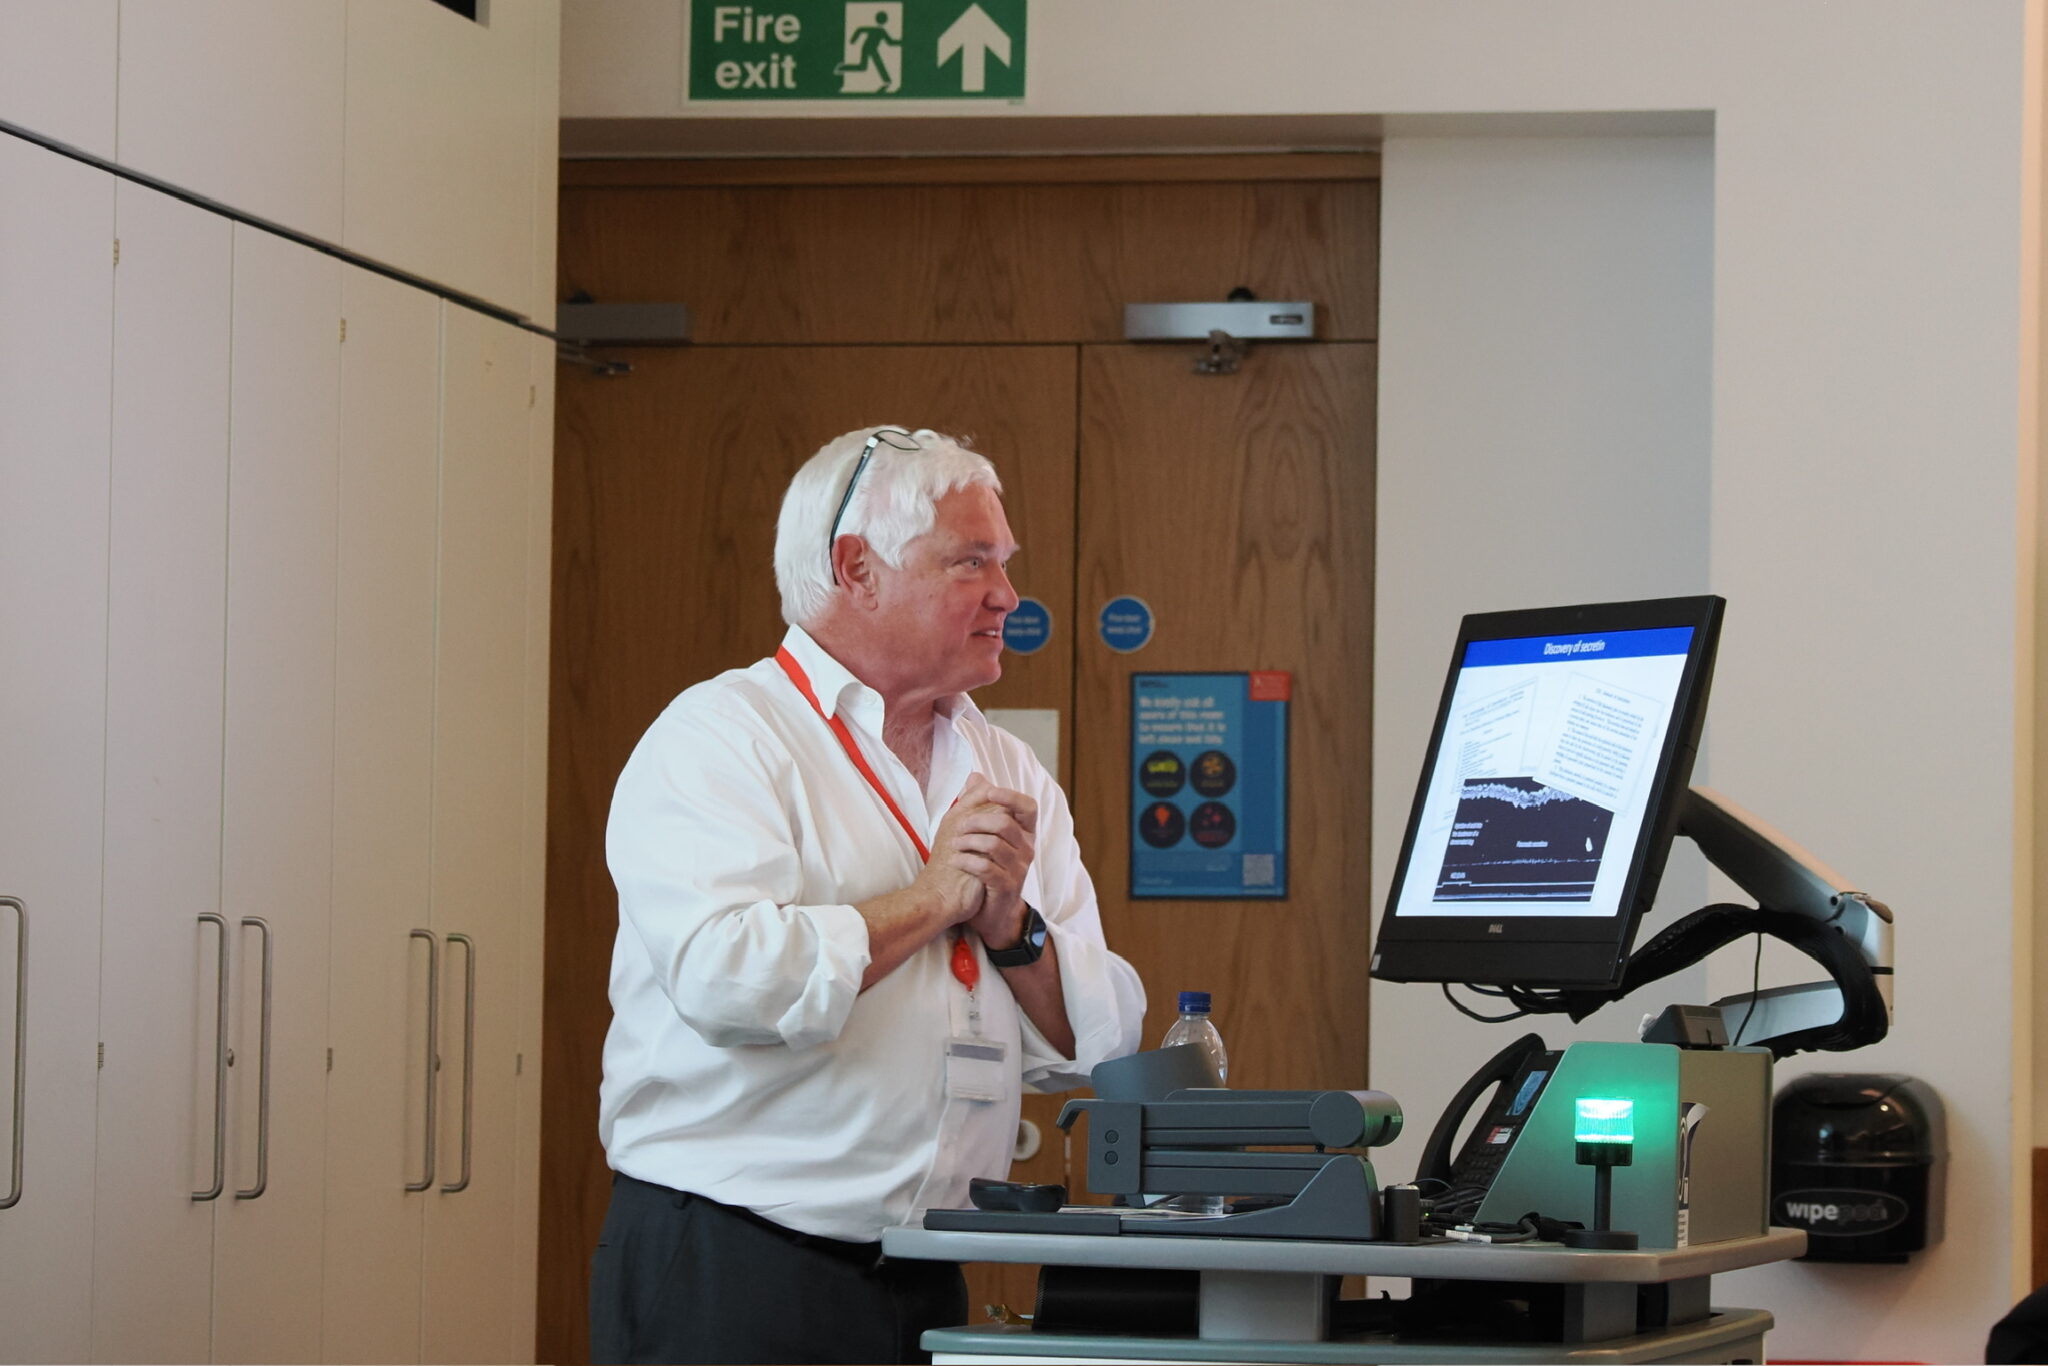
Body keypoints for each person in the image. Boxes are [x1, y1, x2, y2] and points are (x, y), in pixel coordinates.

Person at [590, 426, 1147, 1365]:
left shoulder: (1008, 768)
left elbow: (1102, 1040)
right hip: (732, 1261)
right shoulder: (720, 736)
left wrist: (1011, 929)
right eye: (972, 561)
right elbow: (730, 979)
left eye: (1004, 562)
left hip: (926, 1272)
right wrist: (933, 899)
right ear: (858, 569)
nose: (1008, 595)